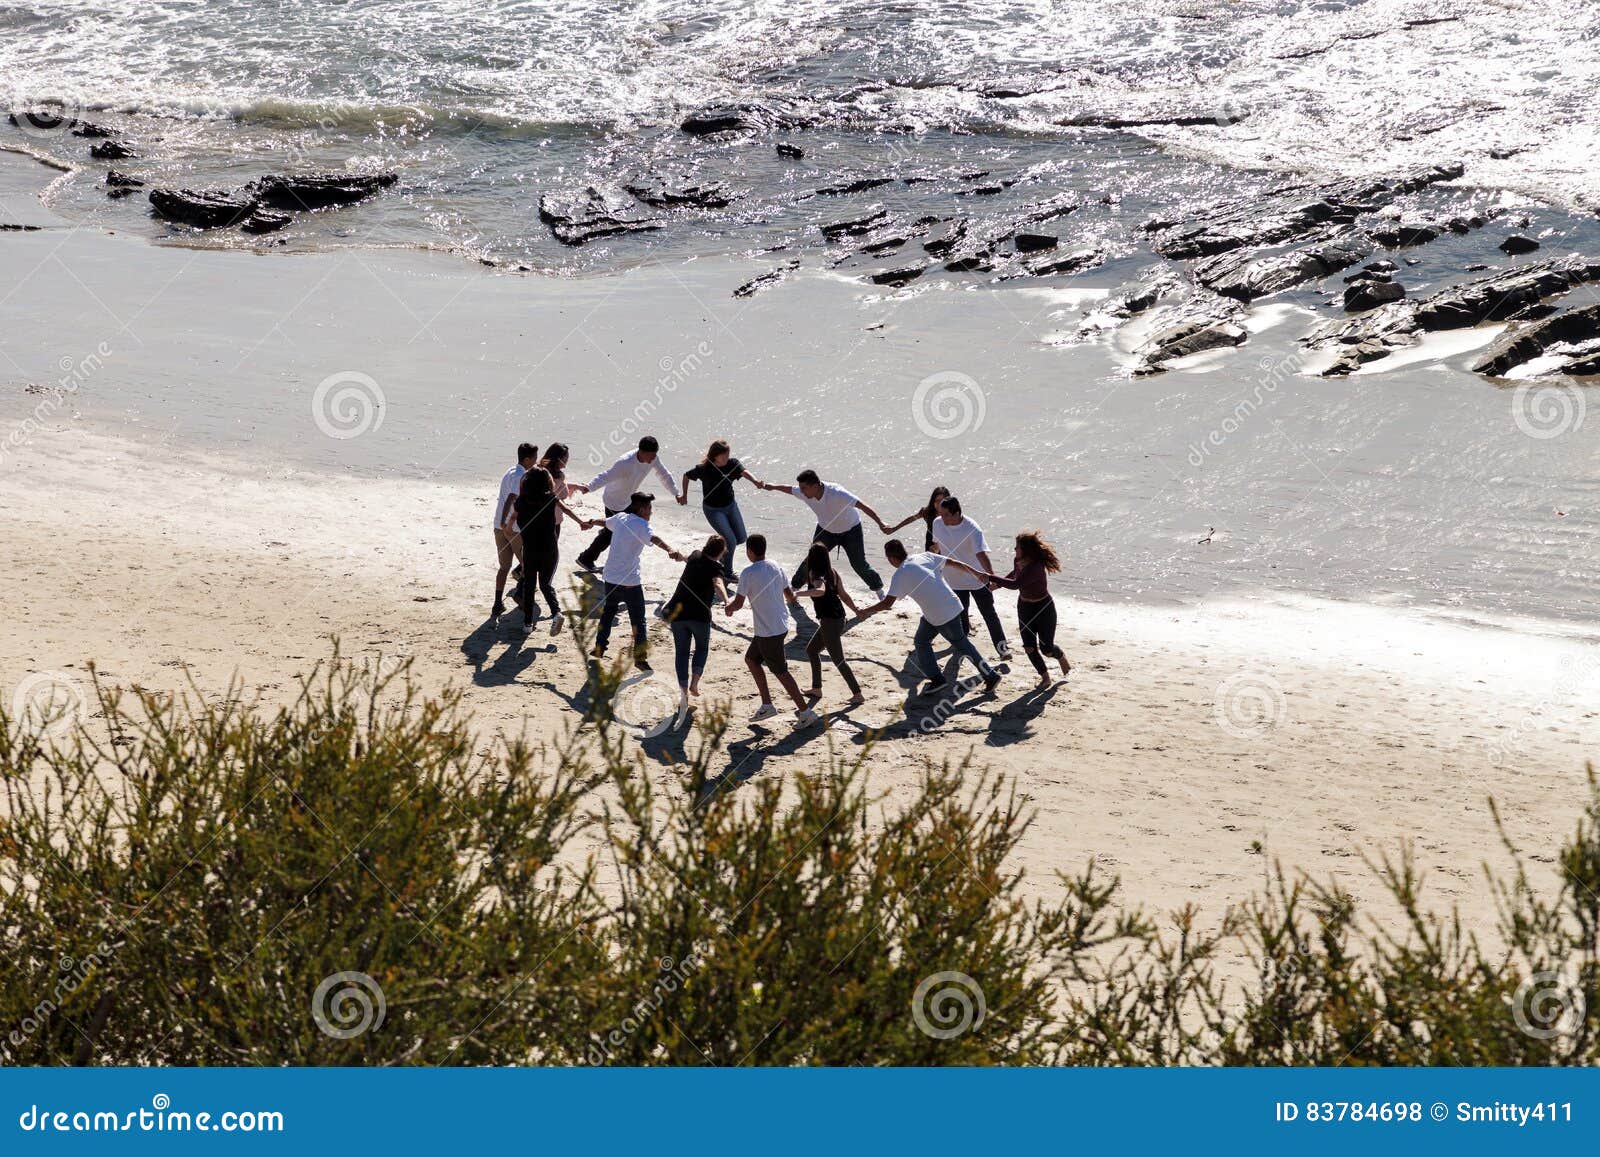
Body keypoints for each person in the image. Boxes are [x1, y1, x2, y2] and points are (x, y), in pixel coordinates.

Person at [857, 540, 1001, 697]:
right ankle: (937, 679)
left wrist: (866, 611)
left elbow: (887, 603)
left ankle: (990, 676)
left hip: (941, 615)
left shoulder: (900, 574)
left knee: (962, 645)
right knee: (922, 641)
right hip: (950, 605)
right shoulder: (924, 556)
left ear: (891, 558)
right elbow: (953, 562)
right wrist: (977, 573)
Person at [723, 534, 820, 726]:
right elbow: (789, 595)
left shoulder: (748, 573)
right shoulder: (776, 566)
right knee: (751, 659)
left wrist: (728, 607)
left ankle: (805, 712)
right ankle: (767, 705)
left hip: (769, 631)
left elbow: (738, 604)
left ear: (750, 551)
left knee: (781, 672)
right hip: (778, 626)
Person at [750, 468, 888, 599]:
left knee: (858, 563)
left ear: (815, 485)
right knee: (811, 559)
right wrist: (772, 486)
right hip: (826, 530)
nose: (802, 491)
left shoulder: (837, 493)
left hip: (851, 530)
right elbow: (789, 489)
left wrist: (881, 523)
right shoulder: (804, 493)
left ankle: (879, 590)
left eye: (804, 488)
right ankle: (795, 587)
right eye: (801, 488)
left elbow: (863, 505)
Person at [590, 491, 684, 671]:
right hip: (630, 581)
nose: (651, 512)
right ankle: (640, 659)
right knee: (638, 621)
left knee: (608, 613)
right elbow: (654, 539)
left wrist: (591, 521)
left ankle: (599, 648)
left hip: (610, 577)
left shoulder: (620, 518)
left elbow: (605, 522)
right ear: (641, 509)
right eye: (649, 508)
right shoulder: (642, 525)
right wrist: (670, 549)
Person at [508, 465, 595, 635]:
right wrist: (581, 523)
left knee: (529, 584)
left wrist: (508, 528)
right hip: (549, 549)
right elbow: (567, 510)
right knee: (545, 584)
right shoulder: (551, 498)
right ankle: (556, 613)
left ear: (527, 483)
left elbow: (512, 520)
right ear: (547, 482)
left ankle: (527, 624)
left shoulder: (521, 501)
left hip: (530, 550)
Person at [576, 436, 677, 572]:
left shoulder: (653, 459)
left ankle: (605, 534)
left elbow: (664, 474)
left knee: (621, 527)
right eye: (651, 455)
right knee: (611, 533)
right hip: (614, 500)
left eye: (655, 455)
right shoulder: (625, 463)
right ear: (642, 451)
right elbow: (605, 476)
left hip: (629, 499)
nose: (654, 458)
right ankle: (586, 559)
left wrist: (676, 493)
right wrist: (589, 487)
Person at [985, 531, 1072, 686]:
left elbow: (1016, 584)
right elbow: (1015, 575)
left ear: (1026, 549)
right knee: (1029, 647)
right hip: (1025, 608)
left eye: (1017, 547)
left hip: (1043, 608)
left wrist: (989, 577)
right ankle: (1045, 677)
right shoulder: (1018, 560)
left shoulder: (1036, 567)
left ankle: (1060, 656)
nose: (1014, 549)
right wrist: (997, 585)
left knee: (1047, 649)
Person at [931, 495, 1011, 661]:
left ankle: (1003, 649)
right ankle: (962, 644)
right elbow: (937, 547)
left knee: (989, 614)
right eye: (941, 513)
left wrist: (992, 577)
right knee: (961, 614)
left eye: (946, 514)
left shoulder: (972, 528)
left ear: (956, 513)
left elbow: (981, 554)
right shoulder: (937, 523)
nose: (942, 517)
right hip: (953, 580)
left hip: (977, 579)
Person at [678, 439, 761, 583]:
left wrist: (755, 481)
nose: (726, 458)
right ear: (715, 455)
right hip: (713, 510)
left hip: (730, 506)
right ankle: (727, 572)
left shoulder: (732, 464)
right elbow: (686, 476)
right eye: (724, 456)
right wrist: (684, 495)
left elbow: (744, 472)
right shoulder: (704, 468)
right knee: (731, 541)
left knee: (741, 538)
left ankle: (715, 559)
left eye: (728, 455)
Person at [662, 535, 729, 713]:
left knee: (682, 654)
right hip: (699, 617)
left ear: (707, 546)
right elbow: (718, 584)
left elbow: (685, 558)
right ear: (721, 552)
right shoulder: (717, 568)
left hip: (678, 614)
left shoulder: (695, 555)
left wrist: (677, 554)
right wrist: (727, 601)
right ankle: (695, 683)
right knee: (702, 649)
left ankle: (684, 695)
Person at [795, 541, 864, 706]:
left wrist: (798, 593)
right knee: (811, 650)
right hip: (838, 619)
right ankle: (816, 688)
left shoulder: (814, 574)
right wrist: (856, 611)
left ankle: (857, 693)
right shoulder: (832, 572)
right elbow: (844, 596)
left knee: (839, 660)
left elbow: (820, 590)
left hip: (831, 622)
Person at [492, 442, 538, 619]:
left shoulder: (510, 471)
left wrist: (501, 522)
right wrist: (506, 522)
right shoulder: (522, 475)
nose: (536, 461)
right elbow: (512, 497)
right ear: (527, 459)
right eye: (534, 458)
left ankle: (497, 603)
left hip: (498, 526)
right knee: (528, 564)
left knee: (504, 567)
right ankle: (520, 594)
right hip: (512, 528)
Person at [881, 485, 951, 553]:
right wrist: (894, 529)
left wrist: (937, 547)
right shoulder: (927, 512)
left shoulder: (952, 516)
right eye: (937, 501)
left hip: (946, 551)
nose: (939, 504)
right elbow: (911, 519)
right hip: (929, 549)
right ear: (933, 502)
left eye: (942, 501)